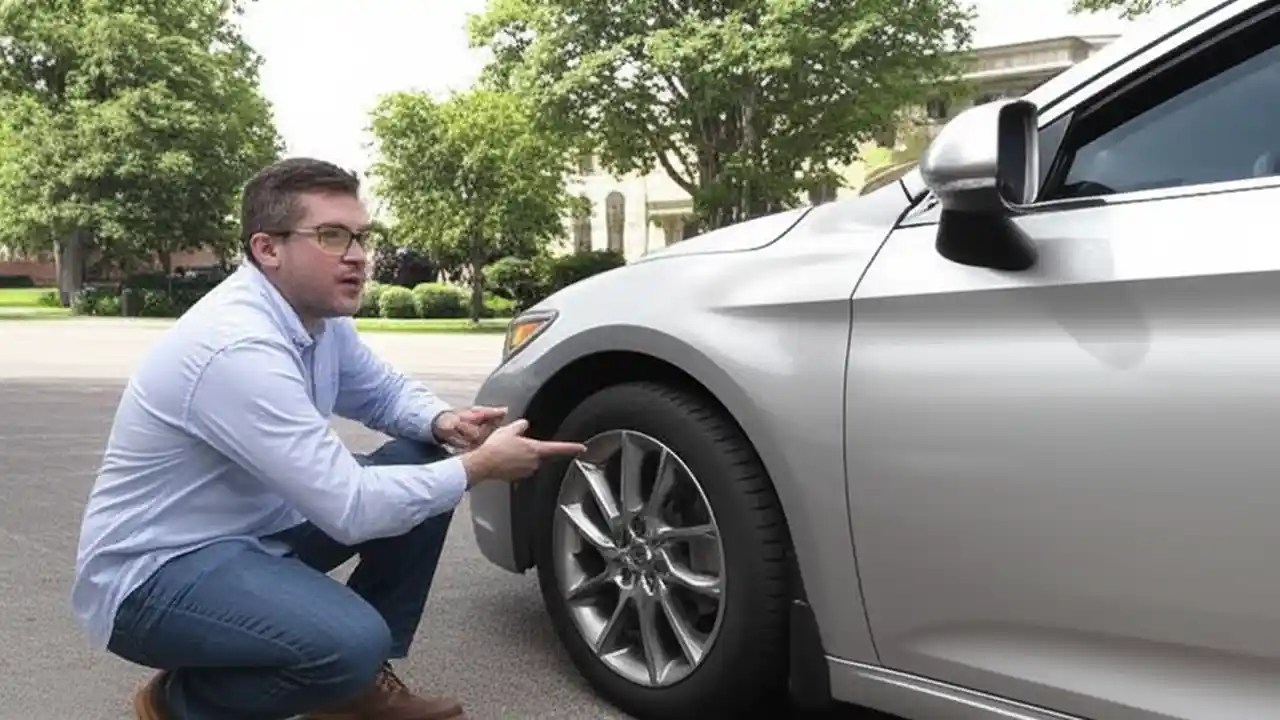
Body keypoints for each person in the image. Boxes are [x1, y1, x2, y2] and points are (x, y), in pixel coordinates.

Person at [70, 157, 587, 720]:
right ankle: (184, 703)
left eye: (362, 236)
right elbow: (351, 510)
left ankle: (354, 691)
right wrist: (478, 467)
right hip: (158, 575)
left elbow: (380, 391)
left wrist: (443, 423)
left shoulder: (317, 318)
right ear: (268, 249)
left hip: (259, 531)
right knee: (350, 641)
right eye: (332, 236)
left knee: (418, 456)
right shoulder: (236, 348)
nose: (359, 254)